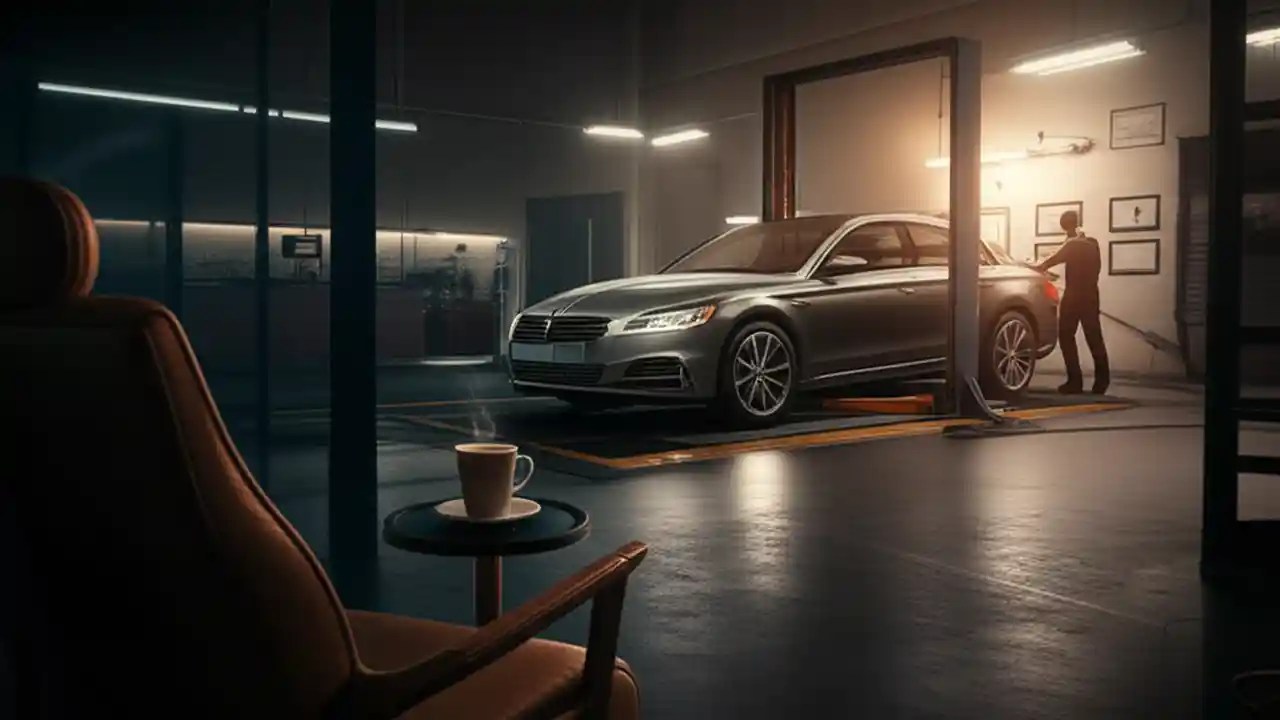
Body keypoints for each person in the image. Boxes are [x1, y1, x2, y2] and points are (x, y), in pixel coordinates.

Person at [1035, 210, 1110, 395]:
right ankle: (1102, 381)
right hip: (1092, 294)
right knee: (1094, 338)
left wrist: (1033, 267)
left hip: (1074, 296)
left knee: (1066, 336)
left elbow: (1047, 263)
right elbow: (1096, 268)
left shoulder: (1071, 245)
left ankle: (1074, 381)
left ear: (1063, 226)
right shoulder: (1093, 243)